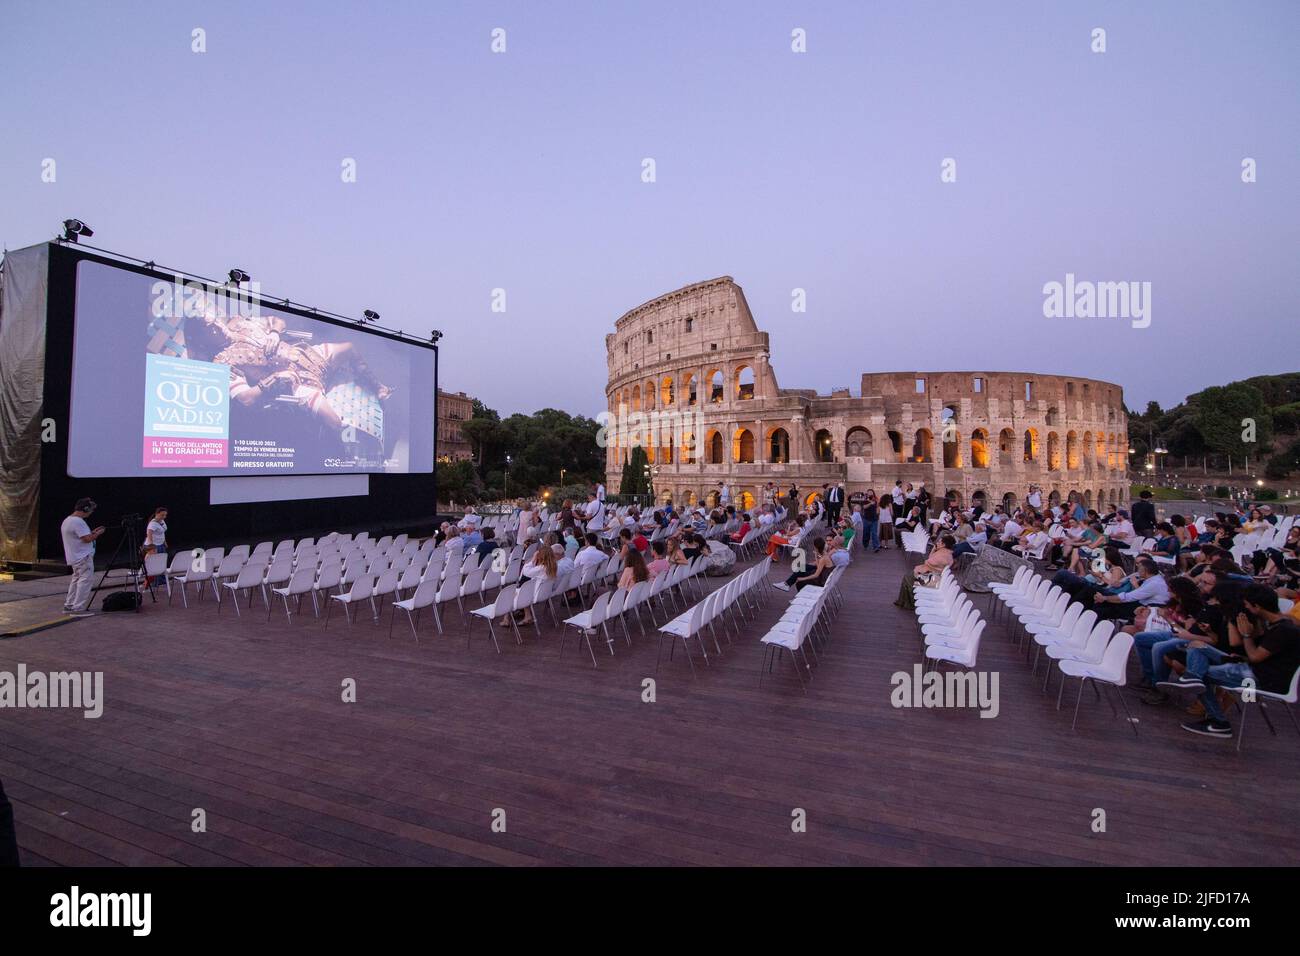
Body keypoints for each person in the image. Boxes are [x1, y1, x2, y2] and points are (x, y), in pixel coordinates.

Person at [1180, 584, 1300, 738]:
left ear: (1256, 606)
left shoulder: (1283, 630)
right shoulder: (1278, 623)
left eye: (1247, 605)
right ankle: (1192, 677)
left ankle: (1219, 722)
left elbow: (1255, 657)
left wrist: (1247, 635)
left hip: (1261, 678)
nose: (1246, 609)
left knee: (1200, 676)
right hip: (1255, 667)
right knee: (1196, 645)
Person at [61, 498, 105, 615]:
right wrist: (97, 534)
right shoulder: (78, 521)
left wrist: (92, 532)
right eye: (90, 510)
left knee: (76, 580)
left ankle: (69, 605)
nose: (91, 513)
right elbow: (86, 539)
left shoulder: (68, 520)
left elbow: (81, 536)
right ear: (85, 509)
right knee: (85, 581)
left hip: (75, 557)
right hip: (83, 557)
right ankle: (78, 608)